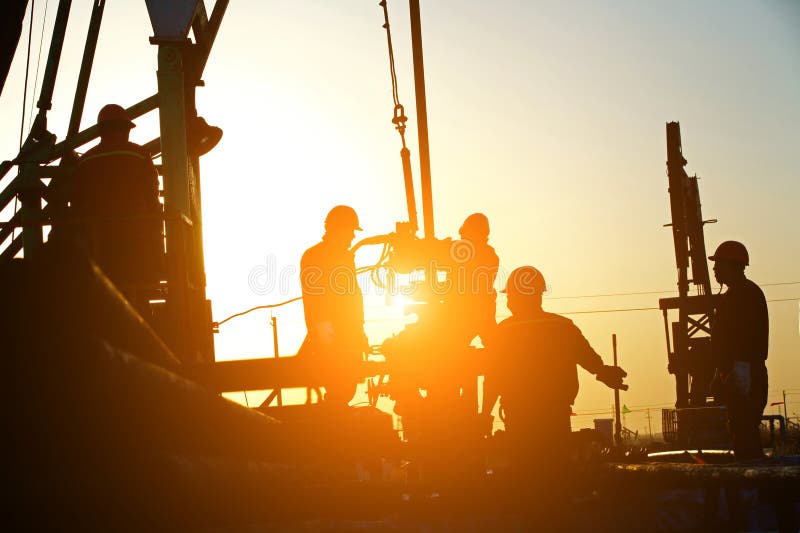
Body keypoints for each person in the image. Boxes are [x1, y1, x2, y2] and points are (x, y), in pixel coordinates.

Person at [481, 266, 627, 462]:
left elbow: (493, 378)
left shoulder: (504, 332)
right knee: (556, 470)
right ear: (539, 295)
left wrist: (484, 415)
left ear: (516, 298)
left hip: (519, 418)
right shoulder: (562, 327)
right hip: (555, 416)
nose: (507, 301)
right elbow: (589, 359)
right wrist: (605, 373)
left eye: (510, 296)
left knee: (524, 474)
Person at [70, 104, 162, 305]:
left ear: (101, 131)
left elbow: (77, 201)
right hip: (136, 245)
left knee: (100, 304)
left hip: (99, 248)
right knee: (140, 298)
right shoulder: (139, 154)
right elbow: (152, 193)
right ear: (125, 128)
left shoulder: (86, 160)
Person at [300, 205, 369, 406]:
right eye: (350, 232)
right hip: (330, 337)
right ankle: (331, 426)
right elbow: (314, 300)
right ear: (337, 229)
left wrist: (359, 330)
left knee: (346, 389)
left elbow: (353, 297)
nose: (352, 238)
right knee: (339, 388)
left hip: (347, 335)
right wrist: (323, 330)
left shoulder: (345, 258)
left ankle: (334, 421)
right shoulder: (314, 256)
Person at [708, 241, 769, 460]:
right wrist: (720, 373)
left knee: (745, 433)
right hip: (739, 373)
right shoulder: (735, 295)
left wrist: (739, 372)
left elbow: (746, 339)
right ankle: (751, 485)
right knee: (740, 431)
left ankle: (755, 486)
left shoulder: (746, 295)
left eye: (718, 264)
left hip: (747, 374)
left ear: (732, 265)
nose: (714, 269)